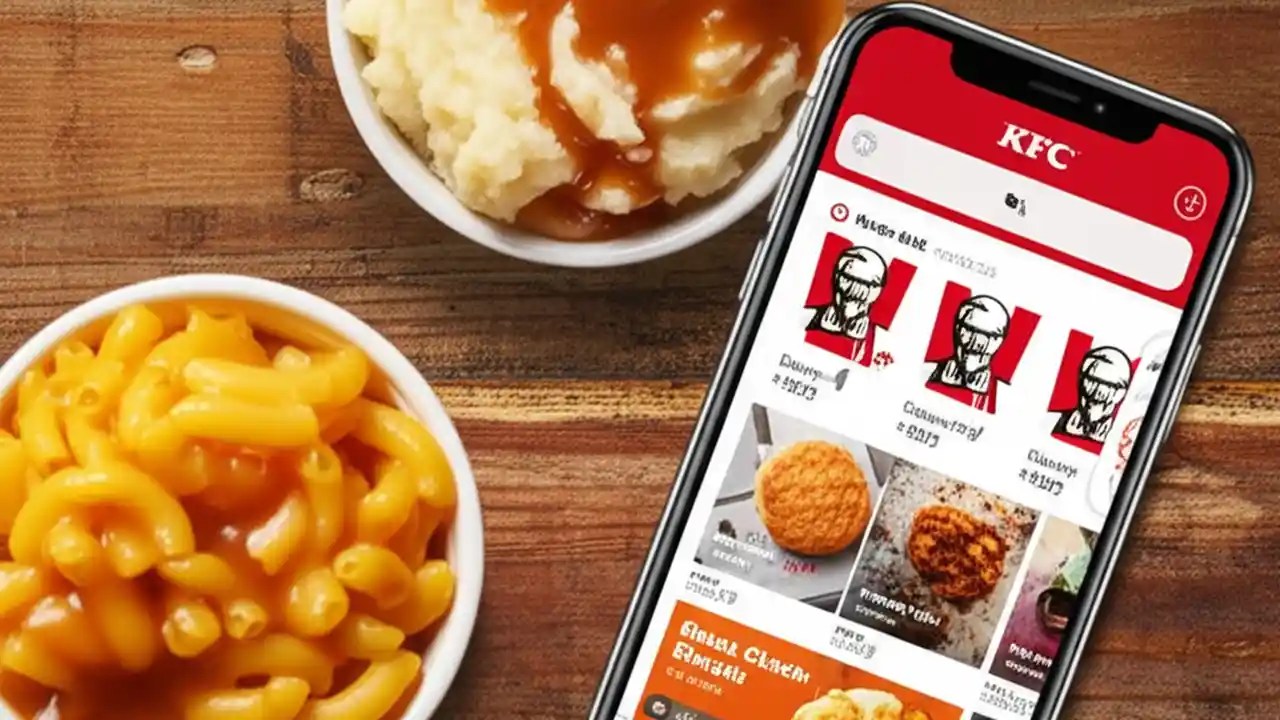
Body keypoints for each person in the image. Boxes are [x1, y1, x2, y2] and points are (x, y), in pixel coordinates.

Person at [925, 295, 1009, 413]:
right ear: (957, 328)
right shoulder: (925, 372)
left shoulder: (1005, 398)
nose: (977, 343)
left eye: (991, 336)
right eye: (970, 329)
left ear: (1001, 341)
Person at [805, 246, 887, 366]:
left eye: (871, 284)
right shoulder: (804, 318)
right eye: (849, 278)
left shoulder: (883, 341)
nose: (858, 290)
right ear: (837, 276)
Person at [1053, 347, 1133, 446]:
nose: (1096, 391)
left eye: (1108, 385)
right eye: (1091, 380)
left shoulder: (1124, 441)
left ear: (1121, 393)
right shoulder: (1052, 420)